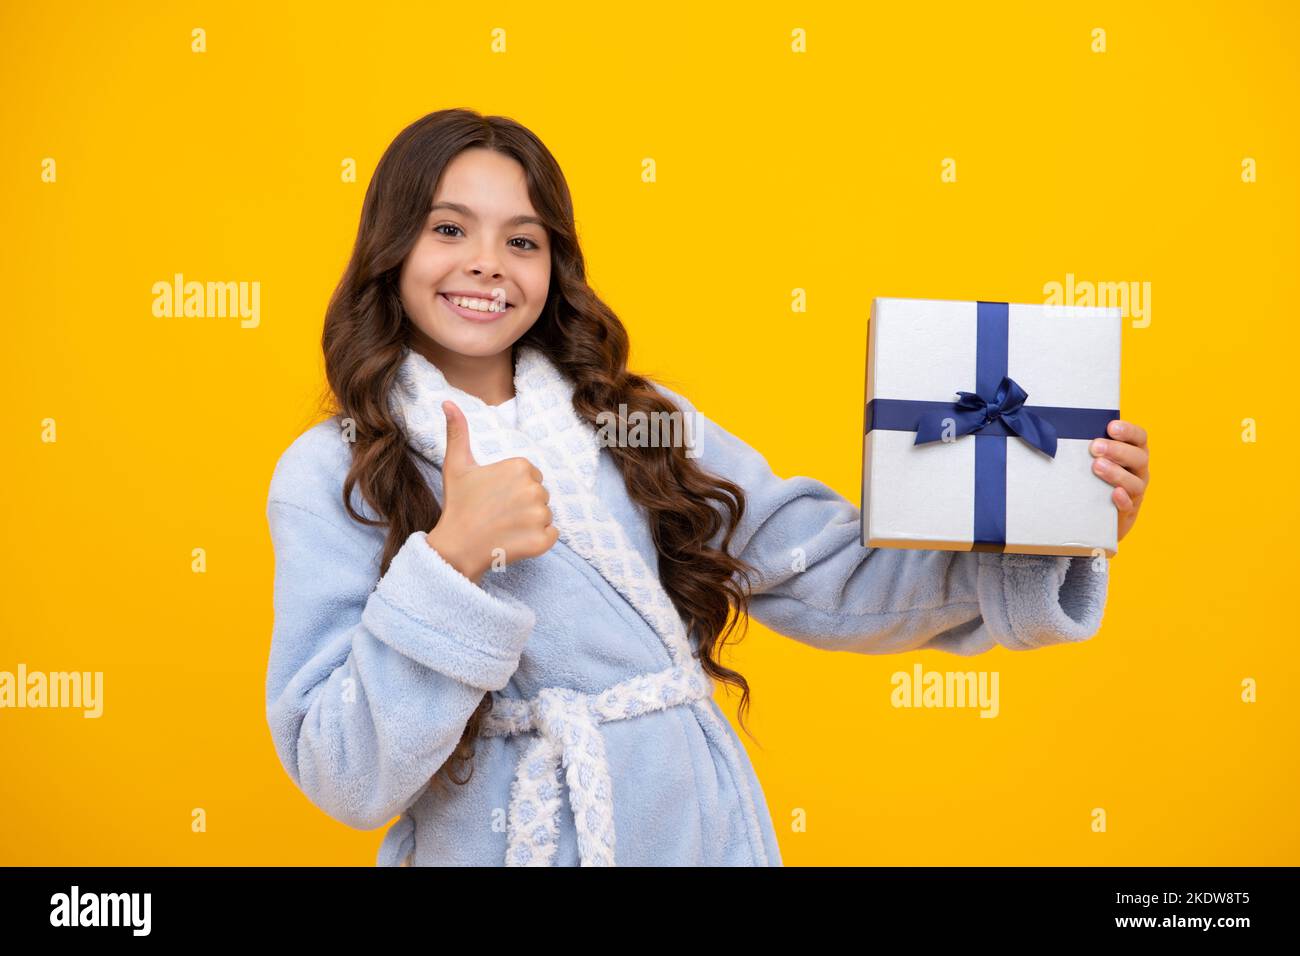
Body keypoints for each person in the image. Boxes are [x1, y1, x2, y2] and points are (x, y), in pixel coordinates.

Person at [263, 108, 1153, 866]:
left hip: (692, 827)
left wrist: (1044, 519)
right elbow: (342, 768)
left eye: (522, 239)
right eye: (449, 228)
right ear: (390, 245)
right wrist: (453, 559)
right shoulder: (332, 471)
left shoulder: (635, 422)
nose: (489, 262)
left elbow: (821, 568)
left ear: (555, 265)